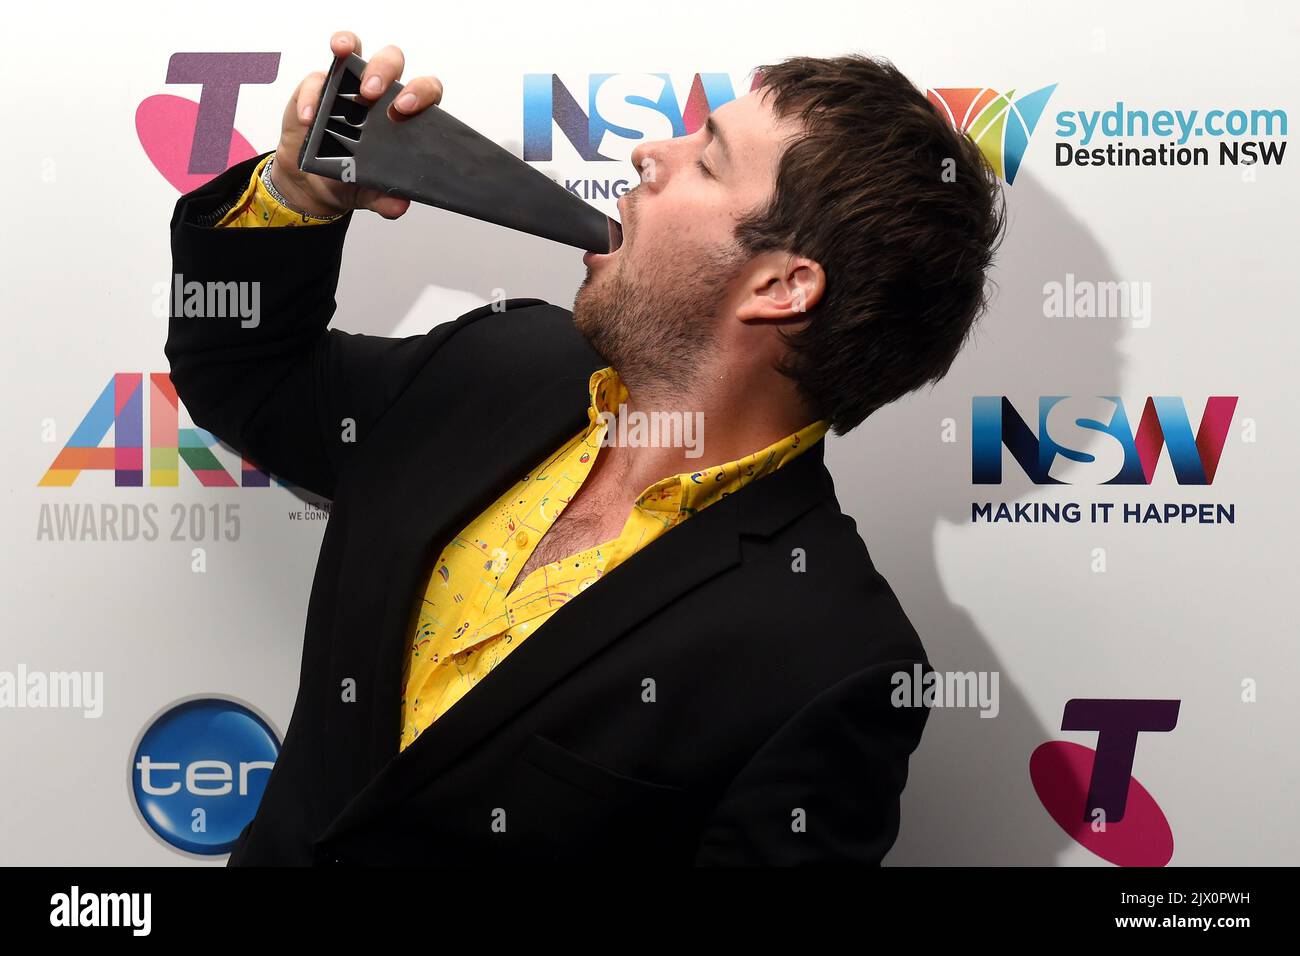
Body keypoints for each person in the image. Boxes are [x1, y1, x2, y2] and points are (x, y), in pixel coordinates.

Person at [165, 30, 1004, 865]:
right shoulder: (500, 360)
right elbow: (249, 377)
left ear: (781, 286)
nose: (648, 152)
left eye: (707, 161)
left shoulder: (831, 659)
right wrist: (294, 196)